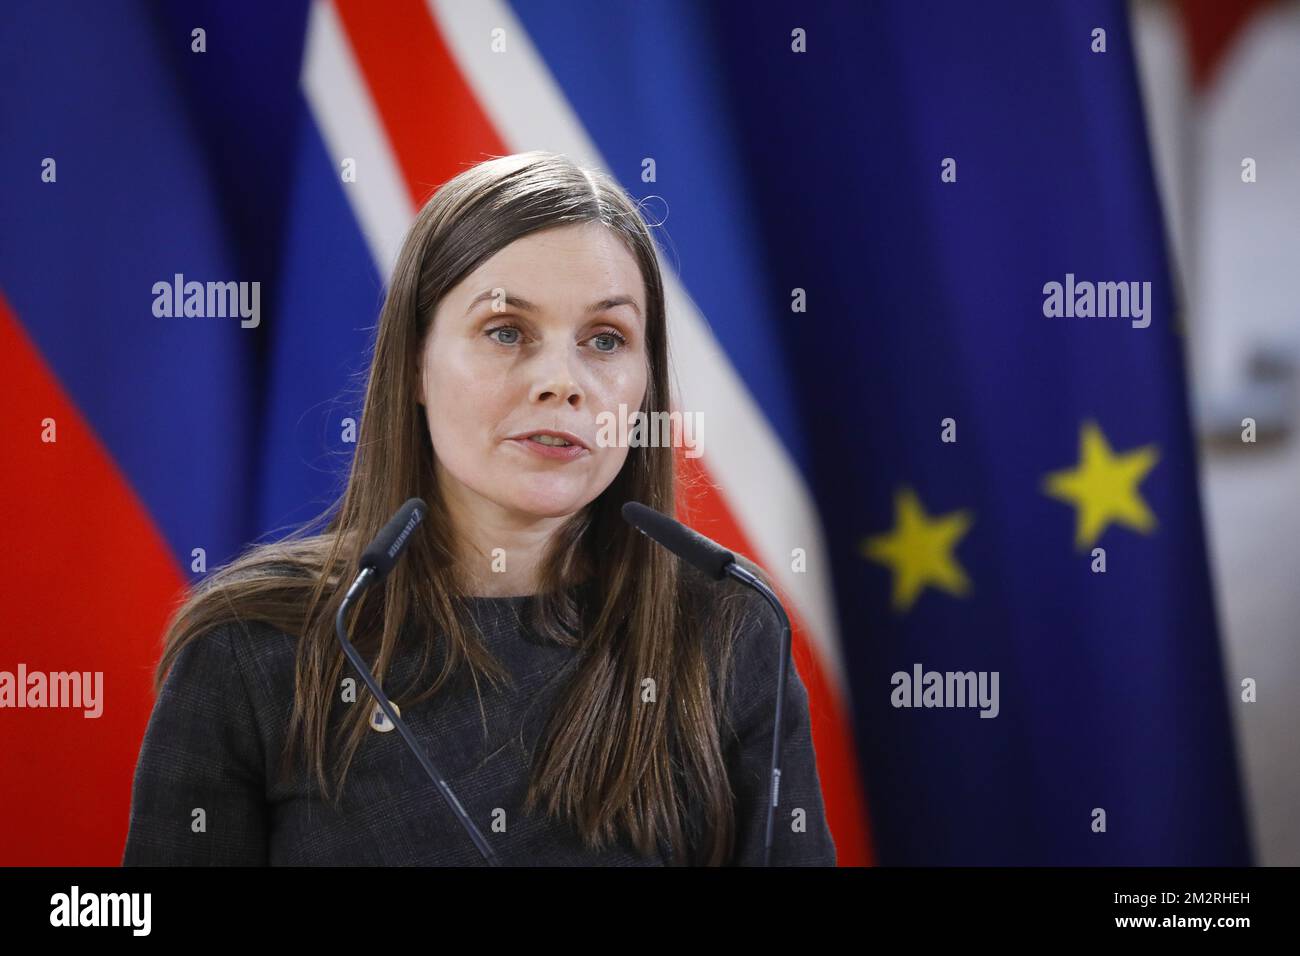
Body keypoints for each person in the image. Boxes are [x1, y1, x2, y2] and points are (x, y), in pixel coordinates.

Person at [121, 151, 837, 866]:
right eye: (506, 331)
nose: (563, 382)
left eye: (605, 339)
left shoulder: (728, 626)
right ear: (415, 364)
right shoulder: (250, 646)